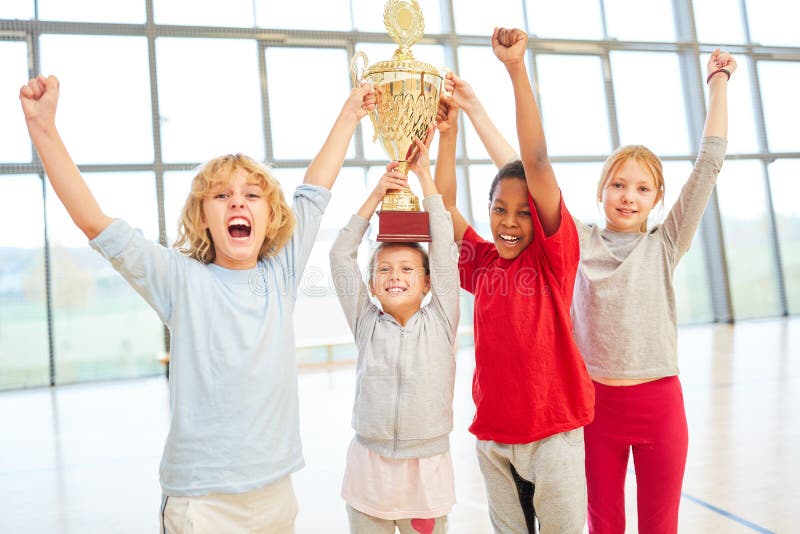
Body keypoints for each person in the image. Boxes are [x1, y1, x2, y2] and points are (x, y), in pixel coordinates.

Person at [20, 73, 375, 532]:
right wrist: (43, 127)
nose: (237, 204)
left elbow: (314, 190)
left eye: (251, 196)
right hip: (201, 503)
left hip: (274, 494)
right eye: (222, 196)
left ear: (271, 218)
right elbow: (94, 222)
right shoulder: (179, 279)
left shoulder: (280, 275)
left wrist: (350, 114)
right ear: (203, 218)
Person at [446, 33, 736, 533]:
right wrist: (473, 110)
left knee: (659, 527)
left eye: (642, 188)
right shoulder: (575, 241)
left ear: (657, 199)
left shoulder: (665, 244)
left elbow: (708, 166)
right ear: (601, 190)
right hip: (594, 411)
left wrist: (718, 85)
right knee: (604, 526)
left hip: (659, 405)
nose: (628, 196)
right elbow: (522, 170)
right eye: (618, 185)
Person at [434, 28, 594, 533]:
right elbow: (442, 211)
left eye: (524, 213)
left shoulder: (553, 257)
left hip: (554, 436)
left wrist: (515, 69)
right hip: (495, 439)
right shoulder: (481, 263)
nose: (509, 221)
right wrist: (449, 133)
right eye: (499, 210)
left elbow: (536, 160)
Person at [329, 127, 460, 534]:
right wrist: (375, 196)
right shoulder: (366, 322)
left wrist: (425, 178)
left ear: (427, 283)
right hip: (370, 472)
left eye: (407, 269)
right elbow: (339, 255)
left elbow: (442, 248)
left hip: (426, 474)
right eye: (383, 270)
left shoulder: (440, 319)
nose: (394, 276)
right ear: (371, 285)